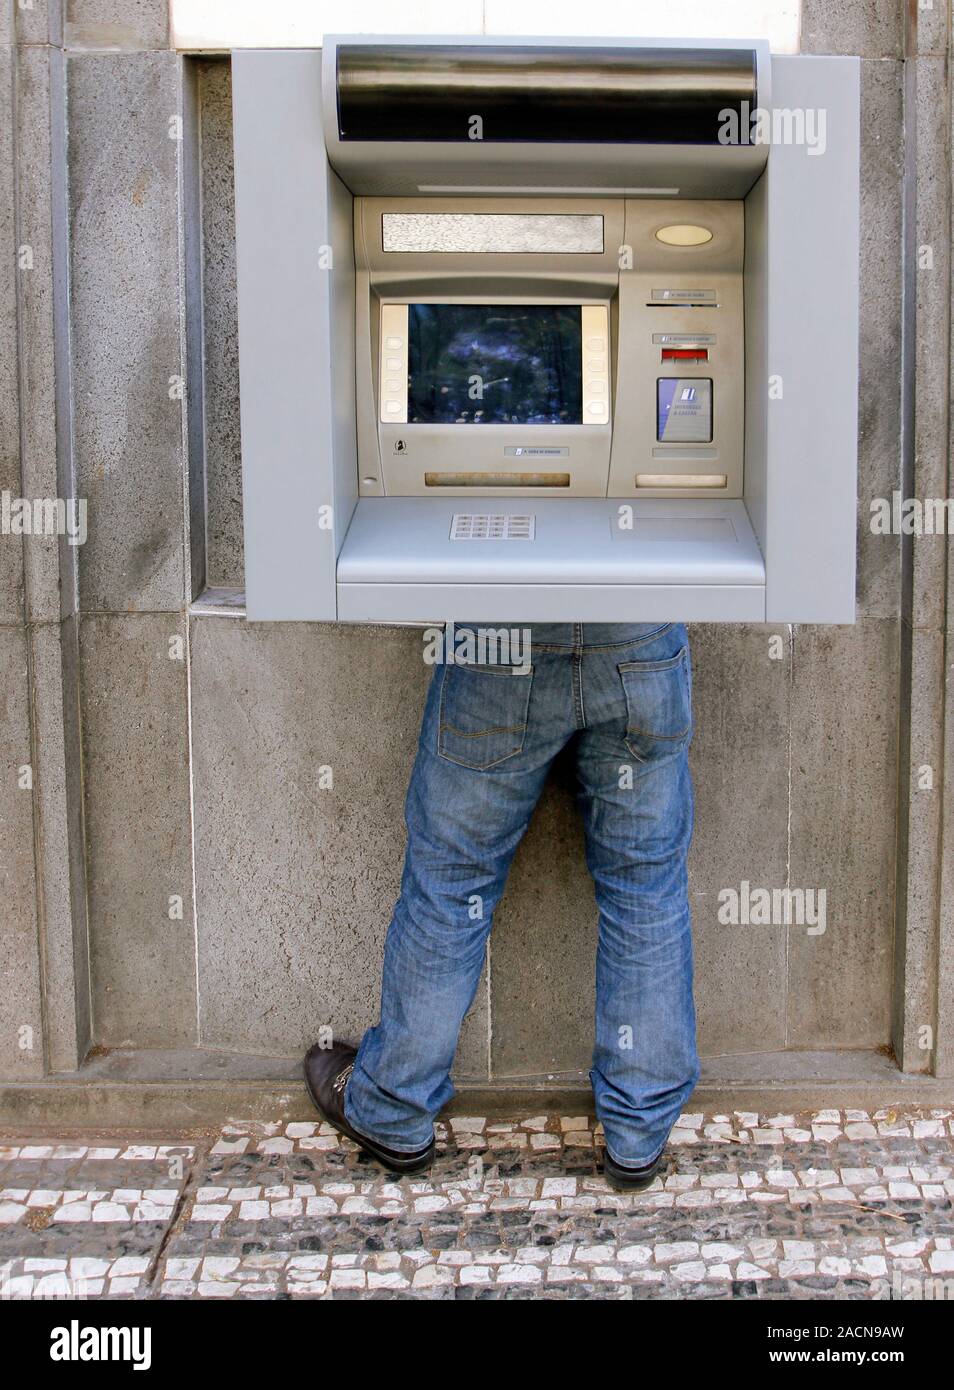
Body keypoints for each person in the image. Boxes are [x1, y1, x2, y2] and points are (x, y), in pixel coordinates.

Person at [304, 621, 699, 1191]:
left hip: (500, 637)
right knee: (644, 887)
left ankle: (393, 1106)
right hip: (639, 642)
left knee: (451, 884)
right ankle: (639, 1127)